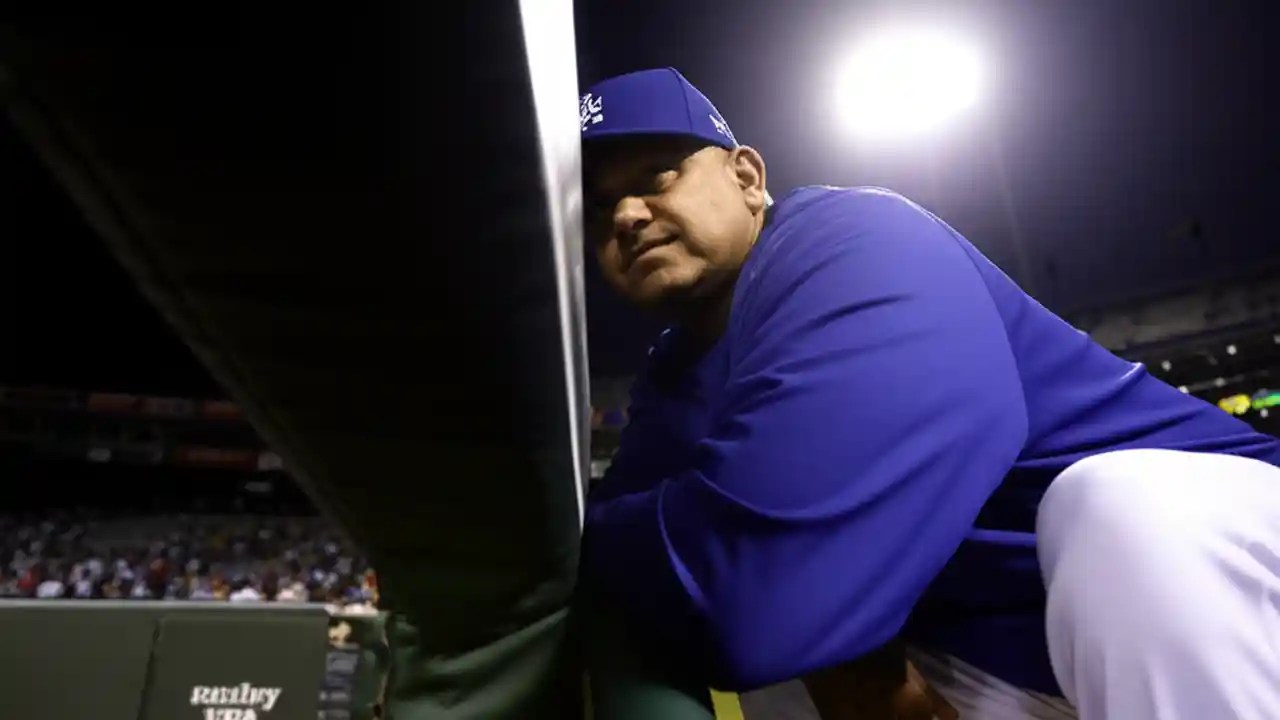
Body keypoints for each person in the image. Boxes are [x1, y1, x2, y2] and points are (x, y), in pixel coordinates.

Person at [577, 67, 1280, 719]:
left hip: (1231, 568)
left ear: (748, 177)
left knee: (1117, 509)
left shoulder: (853, 242)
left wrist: (829, 642)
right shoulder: (670, 379)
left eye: (657, 177)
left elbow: (775, 589)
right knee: (781, 670)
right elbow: (594, 558)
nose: (628, 216)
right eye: (600, 206)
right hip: (1037, 658)